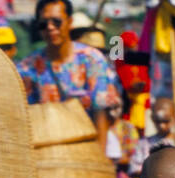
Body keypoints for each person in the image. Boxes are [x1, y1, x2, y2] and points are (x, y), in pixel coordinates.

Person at [16, 0, 122, 141]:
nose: (50, 27)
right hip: (48, 146)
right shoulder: (27, 67)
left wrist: (101, 158)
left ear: (69, 22)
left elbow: (100, 112)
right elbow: (26, 115)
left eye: (56, 21)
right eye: (43, 24)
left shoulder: (91, 59)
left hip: (87, 145)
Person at [128, 96, 175, 178]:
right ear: (152, 118)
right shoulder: (143, 144)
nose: (161, 125)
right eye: (158, 121)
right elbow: (134, 169)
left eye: (166, 121)